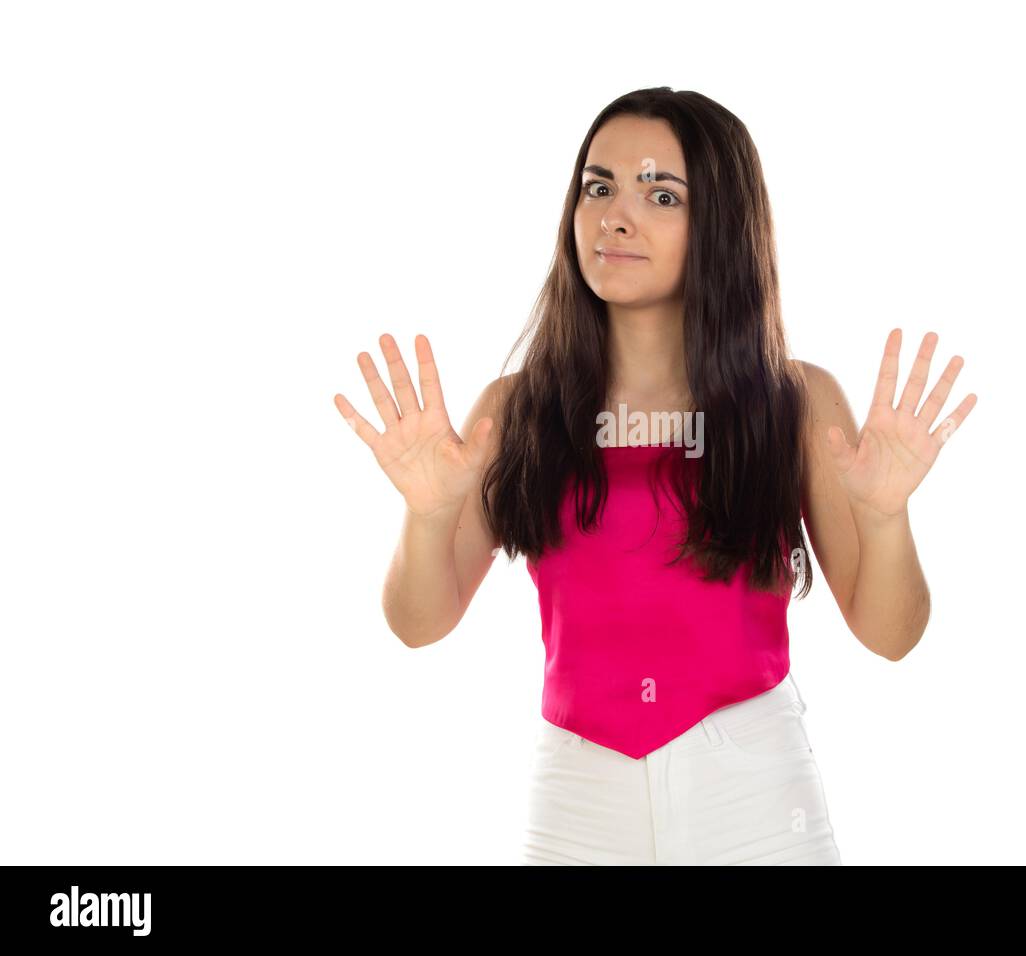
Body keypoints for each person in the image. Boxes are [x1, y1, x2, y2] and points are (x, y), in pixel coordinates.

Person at [332, 87, 976, 865]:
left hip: (754, 796)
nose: (615, 216)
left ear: (719, 226)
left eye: (660, 194)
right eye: (597, 187)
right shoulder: (517, 409)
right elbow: (417, 623)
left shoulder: (796, 402)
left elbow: (892, 635)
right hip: (575, 800)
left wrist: (884, 517)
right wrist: (429, 516)